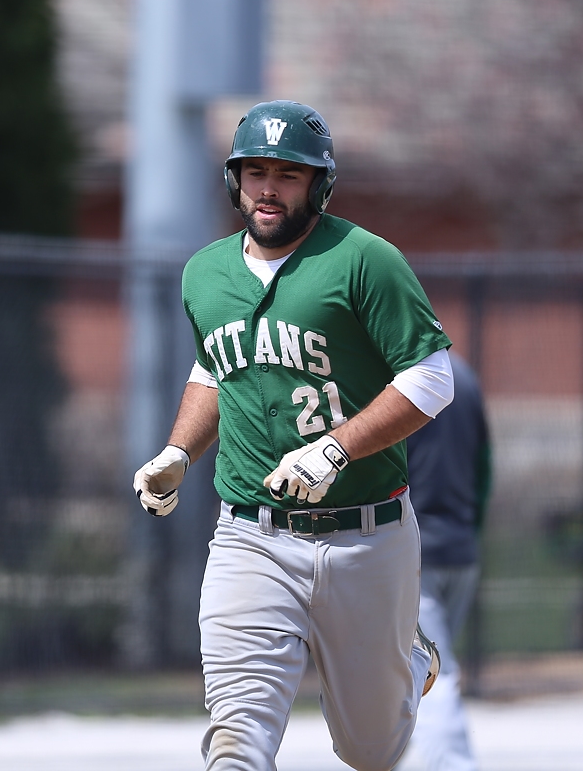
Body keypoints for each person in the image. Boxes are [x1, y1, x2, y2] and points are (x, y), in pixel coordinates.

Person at [132, 99, 451, 771]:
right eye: (255, 171)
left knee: (370, 751)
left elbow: (431, 379)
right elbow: (215, 369)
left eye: (288, 174)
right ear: (234, 179)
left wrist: (336, 448)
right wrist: (177, 452)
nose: (268, 188)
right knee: (237, 744)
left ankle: (406, 656)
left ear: (319, 185)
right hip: (252, 535)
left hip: (366, 536)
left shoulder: (365, 260)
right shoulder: (205, 273)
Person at [401, 350, 491, 771]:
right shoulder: (467, 379)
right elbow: (484, 468)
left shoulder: (396, 384)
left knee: (432, 675)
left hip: (417, 553)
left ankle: (456, 764)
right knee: (411, 669)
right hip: (461, 550)